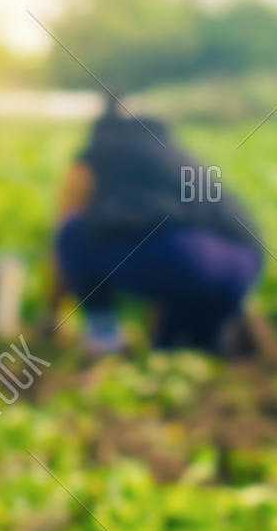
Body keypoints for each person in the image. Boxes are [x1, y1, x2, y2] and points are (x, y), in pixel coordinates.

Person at [50, 94, 265, 354]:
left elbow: (63, 224)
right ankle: (209, 344)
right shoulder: (169, 150)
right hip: (243, 264)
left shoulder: (97, 153)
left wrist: (52, 316)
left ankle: (104, 338)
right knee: (172, 350)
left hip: (183, 258)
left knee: (73, 233)